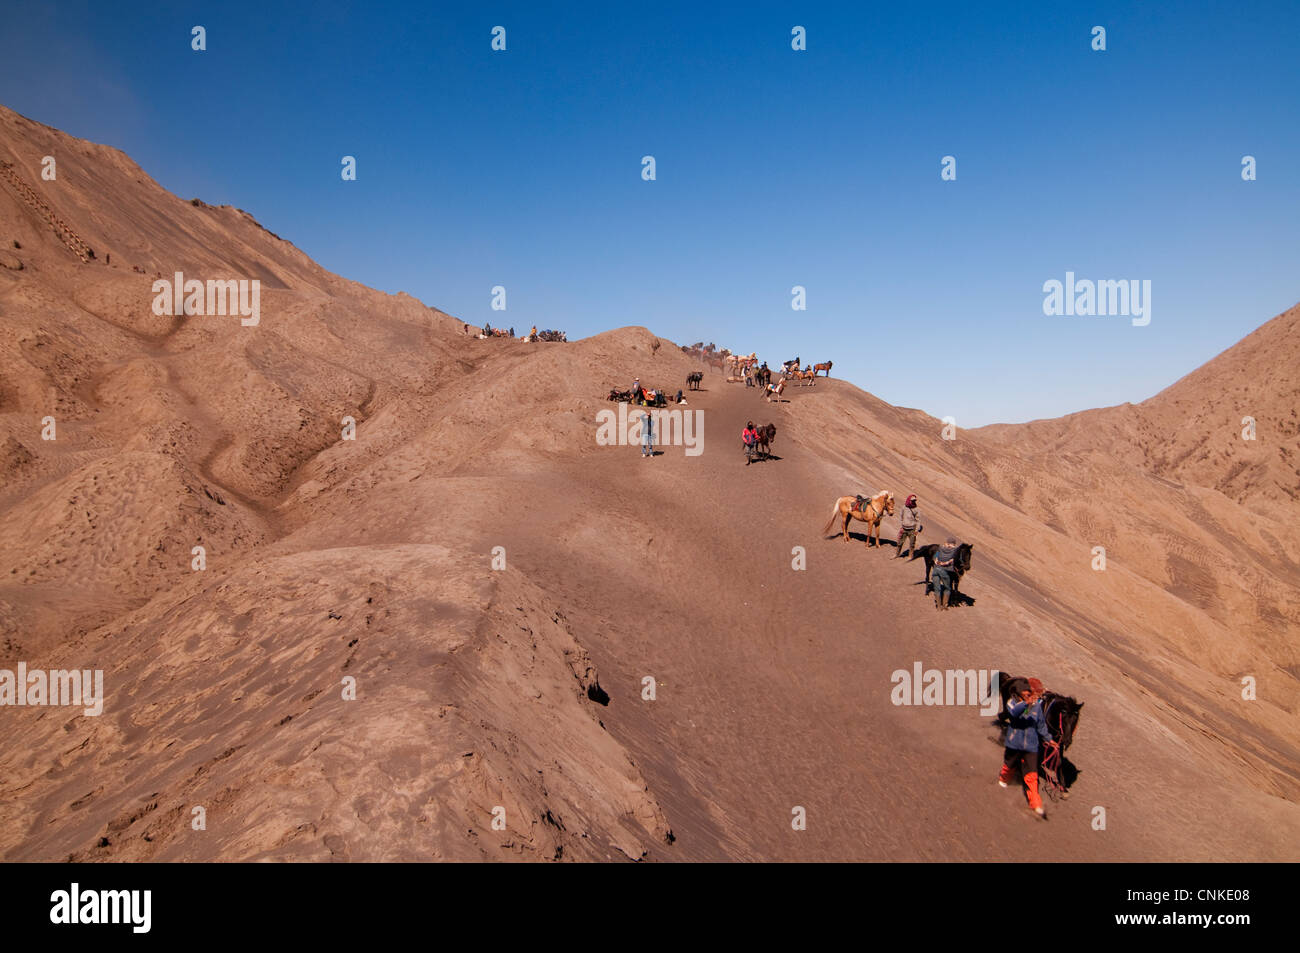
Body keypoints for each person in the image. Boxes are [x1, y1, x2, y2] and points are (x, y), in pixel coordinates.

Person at [999, 679, 1053, 817]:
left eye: (1030, 694)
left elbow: (1041, 725)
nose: (1031, 697)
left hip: (1031, 745)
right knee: (1009, 765)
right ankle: (1004, 779)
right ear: (1019, 694)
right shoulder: (1011, 703)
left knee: (1032, 775)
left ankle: (1035, 803)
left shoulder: (1037, 707)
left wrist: (1049, 739)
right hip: (1014, 743)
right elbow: (1014, 713)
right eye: (1027, 694)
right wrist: (1026, 704)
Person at [932, 536, 960, 610]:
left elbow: (935, 557)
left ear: (947, 543)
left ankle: (938, 606)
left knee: (937, 589)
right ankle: (944, 605)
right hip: (945, 572)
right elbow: (958, 551)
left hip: (936, 570)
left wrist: (937, 562)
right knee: (947, 588)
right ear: (953, 544)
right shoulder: (954, 550)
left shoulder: (940, 548)